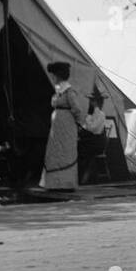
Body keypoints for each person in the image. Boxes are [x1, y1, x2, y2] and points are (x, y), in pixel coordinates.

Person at [40, 61, 81, 190]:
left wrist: (78, 123)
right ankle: (54, 183)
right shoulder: (58, 90)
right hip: (57, 126)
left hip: (67, 124)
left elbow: (76, 108)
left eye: (54, 75)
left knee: (66, 151)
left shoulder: (69, 91)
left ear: (58, 75)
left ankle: (66, 183)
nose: (53, 78)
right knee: (55, 151)